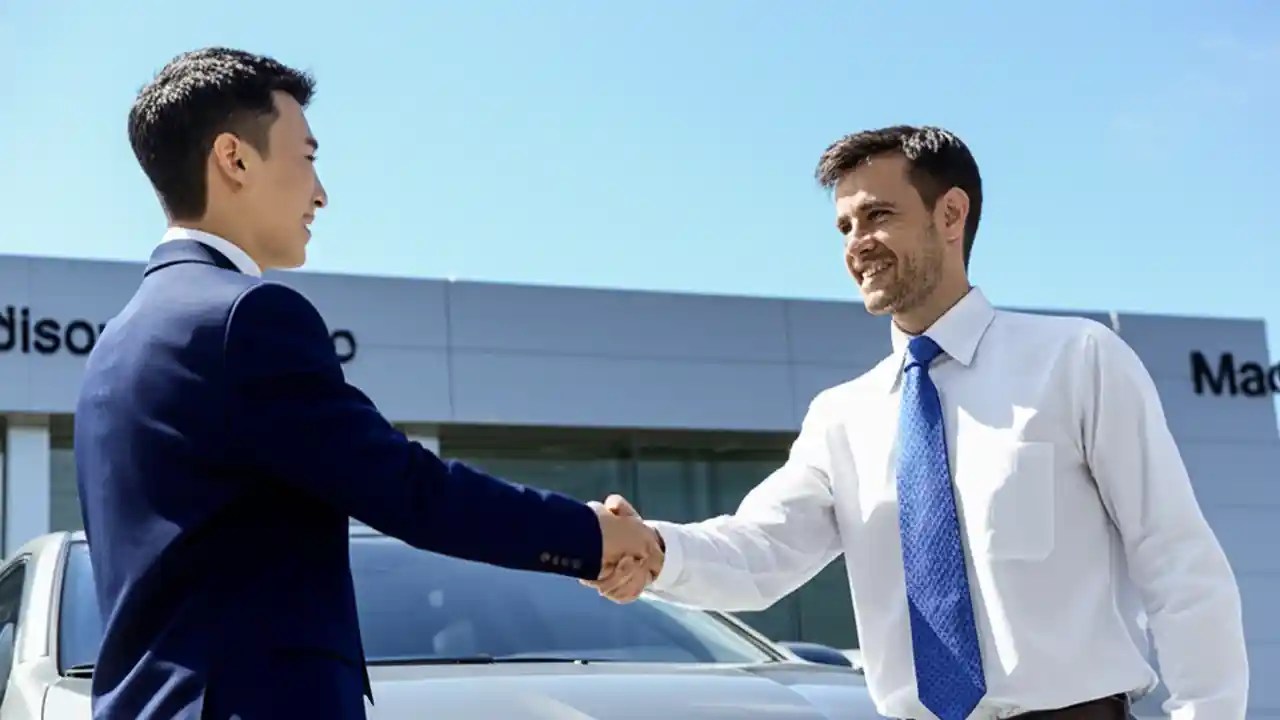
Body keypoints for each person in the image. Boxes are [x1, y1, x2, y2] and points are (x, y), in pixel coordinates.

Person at [73, 47, 658, 720]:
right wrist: (592, 536)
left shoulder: (114, 346)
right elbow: (406, 488)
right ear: (234, 158)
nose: (321, 193)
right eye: (308, 158)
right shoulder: (247, 316)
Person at [587, 125, 1248, 719]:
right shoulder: (841, 417)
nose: (856, 245)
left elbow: (1177, 561)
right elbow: (763, 551)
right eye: (844, 227)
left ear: (950, 214)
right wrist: (656, 550)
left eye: (876, 216)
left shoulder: (1077, 361)